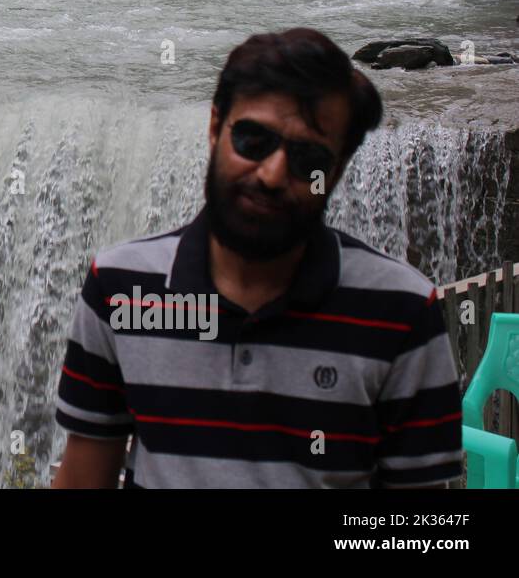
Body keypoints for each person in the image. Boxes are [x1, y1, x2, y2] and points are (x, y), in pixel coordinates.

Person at [52, 28, 462, 489]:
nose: (271, 174)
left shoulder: (404, 316)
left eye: (307, 159)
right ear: (214, 128)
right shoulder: (120, 289)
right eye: (252, 140)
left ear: (337, 171)